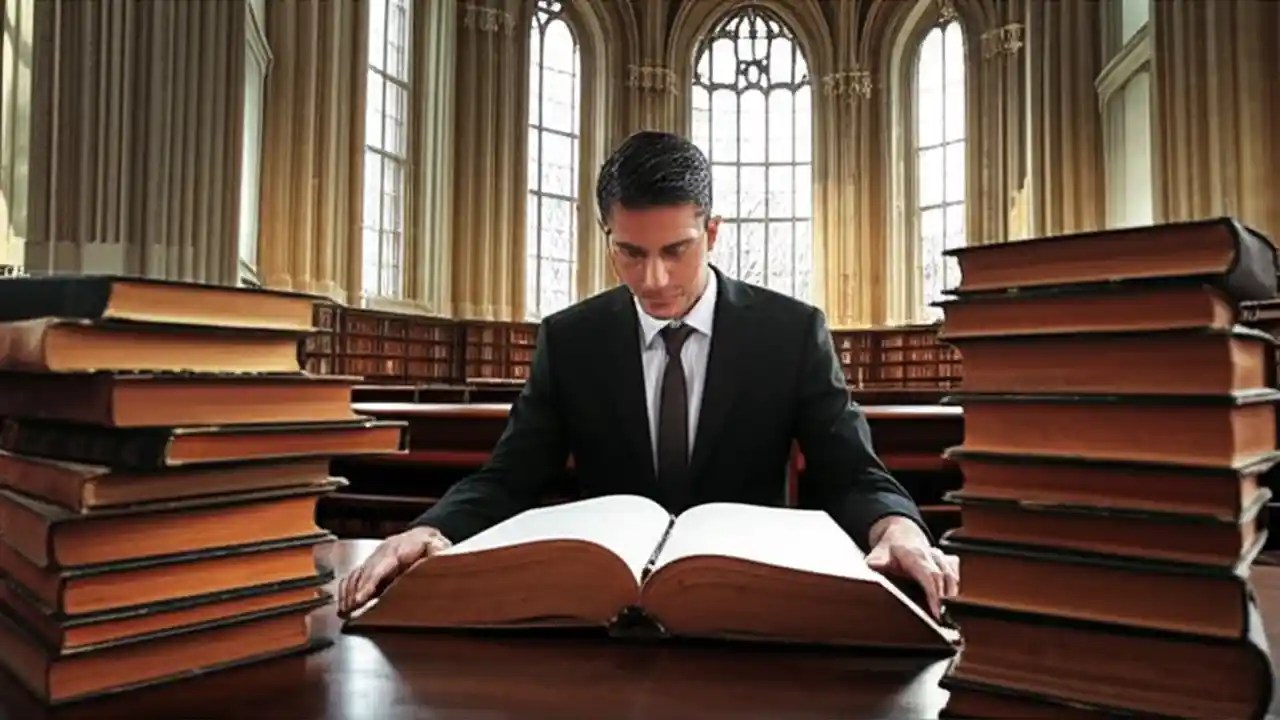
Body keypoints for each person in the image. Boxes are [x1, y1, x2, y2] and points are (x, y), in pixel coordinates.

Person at [339, 130, 960, 619]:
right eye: (630, 253)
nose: (655, 280)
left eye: (676, 250)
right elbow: (511, 478)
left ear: (712, 233)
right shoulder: (571, 339)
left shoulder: (791, 332)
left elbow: (851, 471)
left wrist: (898, 527)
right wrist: (429, 530)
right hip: (607, 611)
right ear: (607, 235)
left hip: (753, 603)